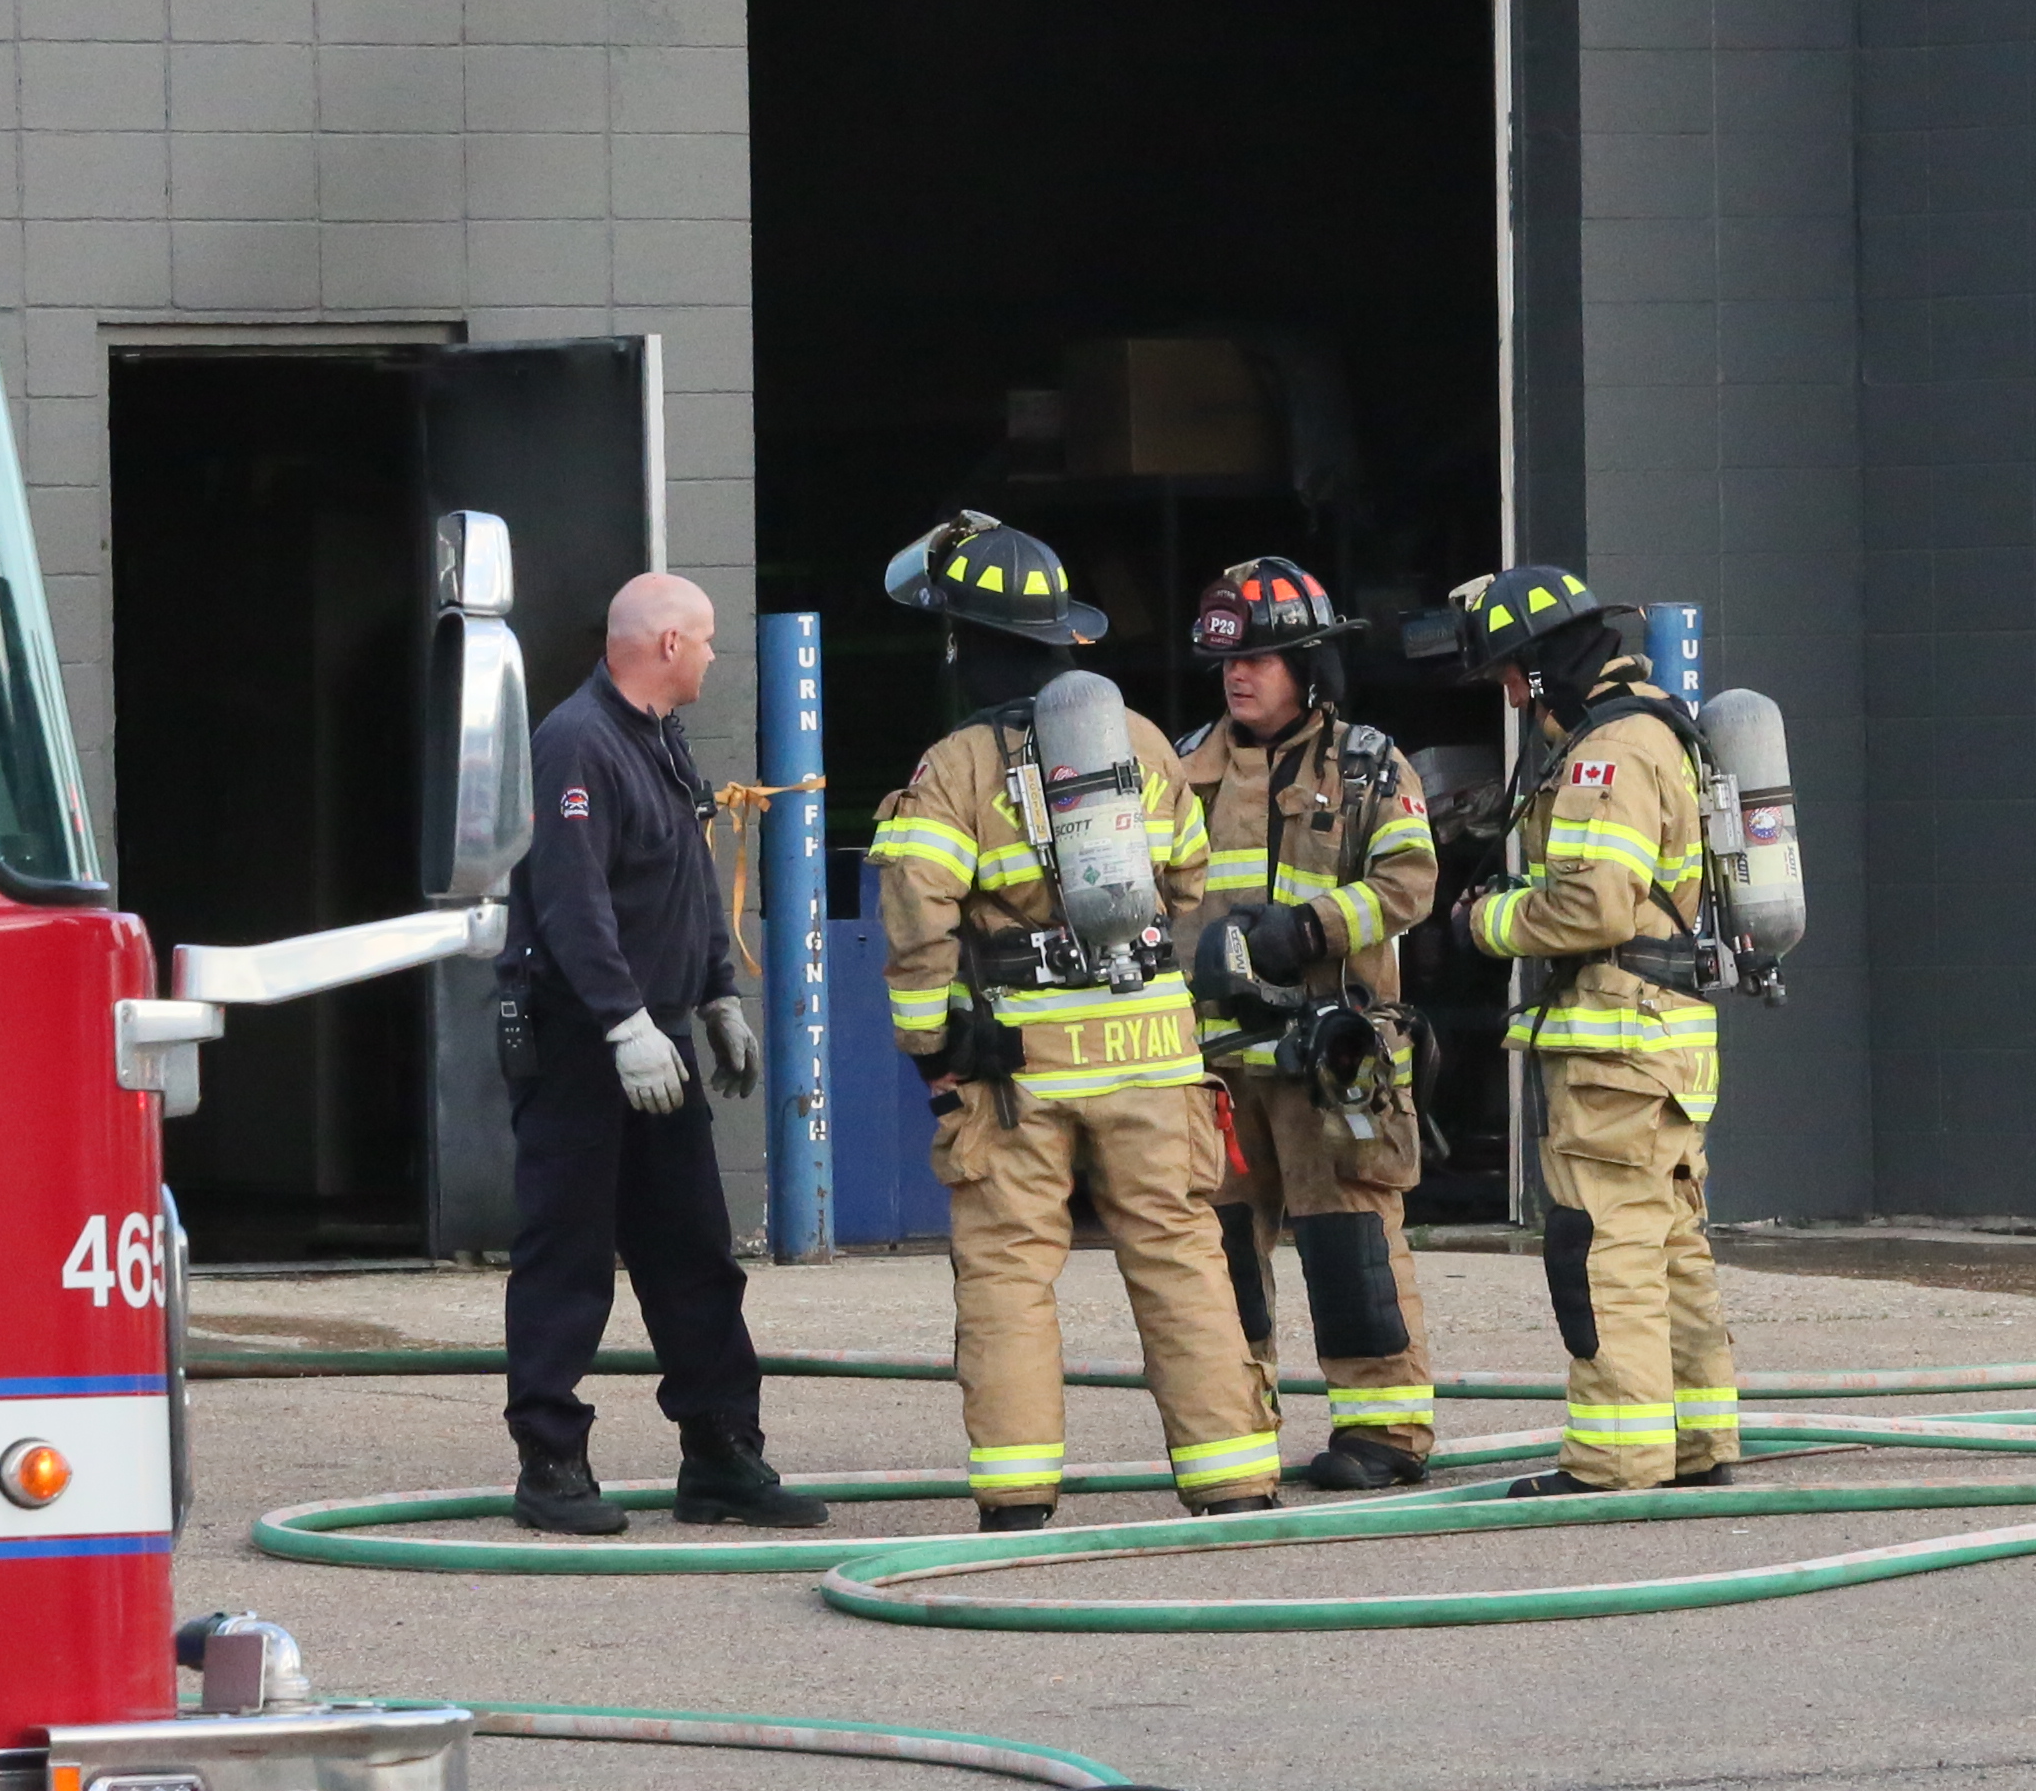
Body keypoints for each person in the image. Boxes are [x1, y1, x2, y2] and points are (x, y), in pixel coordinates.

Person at [867, 512, 1279, 1527]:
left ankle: (1017, 1497)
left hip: (1020, 1071)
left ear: (968, 641)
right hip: (1151, 1050)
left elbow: (919, 914)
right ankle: (1233, 1478)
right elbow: (1189, 883)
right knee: (1182, 1253)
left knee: (1009, 1272)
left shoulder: (954, 765)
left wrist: (933, 1042)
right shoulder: (1141, 742)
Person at [496, 572, 814, 1540]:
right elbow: (572, 899)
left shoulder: (656, 742)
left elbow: (683, 877)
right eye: (709, 641)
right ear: (668, 644)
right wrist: (622, 1023)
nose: (717, 657)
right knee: (569, 1254)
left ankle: (721, 1454)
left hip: (656, 1037)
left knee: (693, 1255)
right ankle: (551, 1464)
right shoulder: (578, 741)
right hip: (586, 1044)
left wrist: (716, 992)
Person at [1446, 564, 1734, 1497]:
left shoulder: (1608, 752)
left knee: (1601, 1246)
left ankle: (1617, 1460)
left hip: (1618, 1043)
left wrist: (1484, 923)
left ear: (1533, 667)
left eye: (1505, 674)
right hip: (1669, 1042)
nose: (1506, 695)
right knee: (1669, 1247)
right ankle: (1697, 1445)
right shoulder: (1656, 727)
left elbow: (1595, 905)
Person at [1172, 555, 1444, 1490]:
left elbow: (1410, 883)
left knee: (1351, 1243)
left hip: (1333, 1057)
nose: (1237, 675)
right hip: (1217, 1068)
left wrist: (1309, 930)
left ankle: (1384, 1433)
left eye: (1259, 658)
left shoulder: (1369, 765)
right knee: (1219, 1259)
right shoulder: (1182, 769)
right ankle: (1236, 1432)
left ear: (1309, 665)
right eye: (1228, 661)